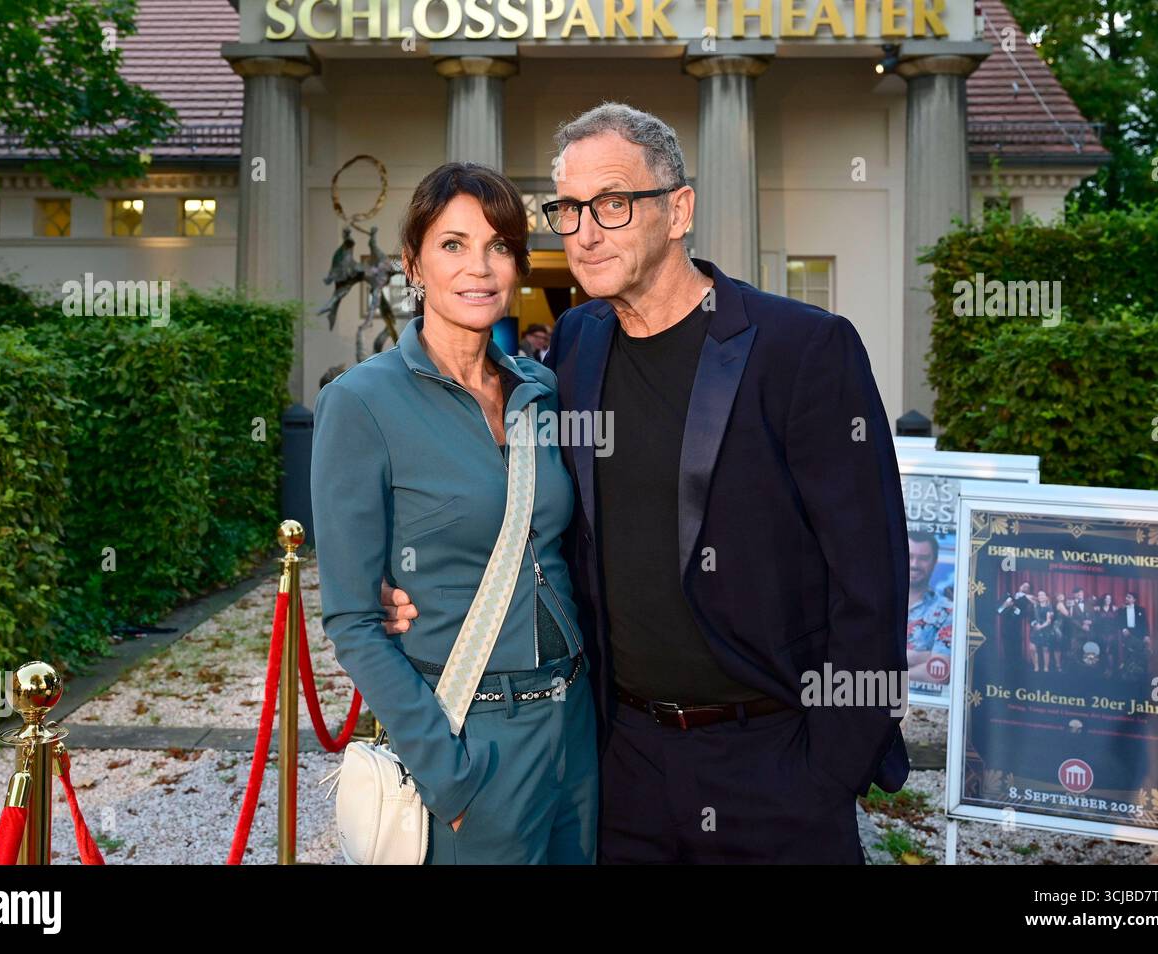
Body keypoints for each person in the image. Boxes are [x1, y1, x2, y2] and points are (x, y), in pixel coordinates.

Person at [383, 102, 908, 864]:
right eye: (569, 209)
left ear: (679, 210)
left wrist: (829, 768)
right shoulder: (574, 346)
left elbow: (872, 578)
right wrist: (410, 587)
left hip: (773, 759)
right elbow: (521, 514)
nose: (585, 231)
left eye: (614, 204)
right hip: (621, 763)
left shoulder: (803, 349)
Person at [311, 162, 598, 865]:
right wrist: (448, 775)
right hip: (474, 737)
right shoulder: (361, 403)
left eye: (499, 246)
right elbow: (352, 618)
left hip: (576, 730)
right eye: (453, 245)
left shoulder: (541, 390)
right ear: (414, 262)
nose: (480, 267)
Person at [905, 532, 953, 688]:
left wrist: (881, 679)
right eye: (909, 555)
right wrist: (926, 656)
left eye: (923, 558)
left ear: (935, 562)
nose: (914, 564)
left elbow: (939, 672)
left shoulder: (948, 611)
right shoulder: (874, 602)